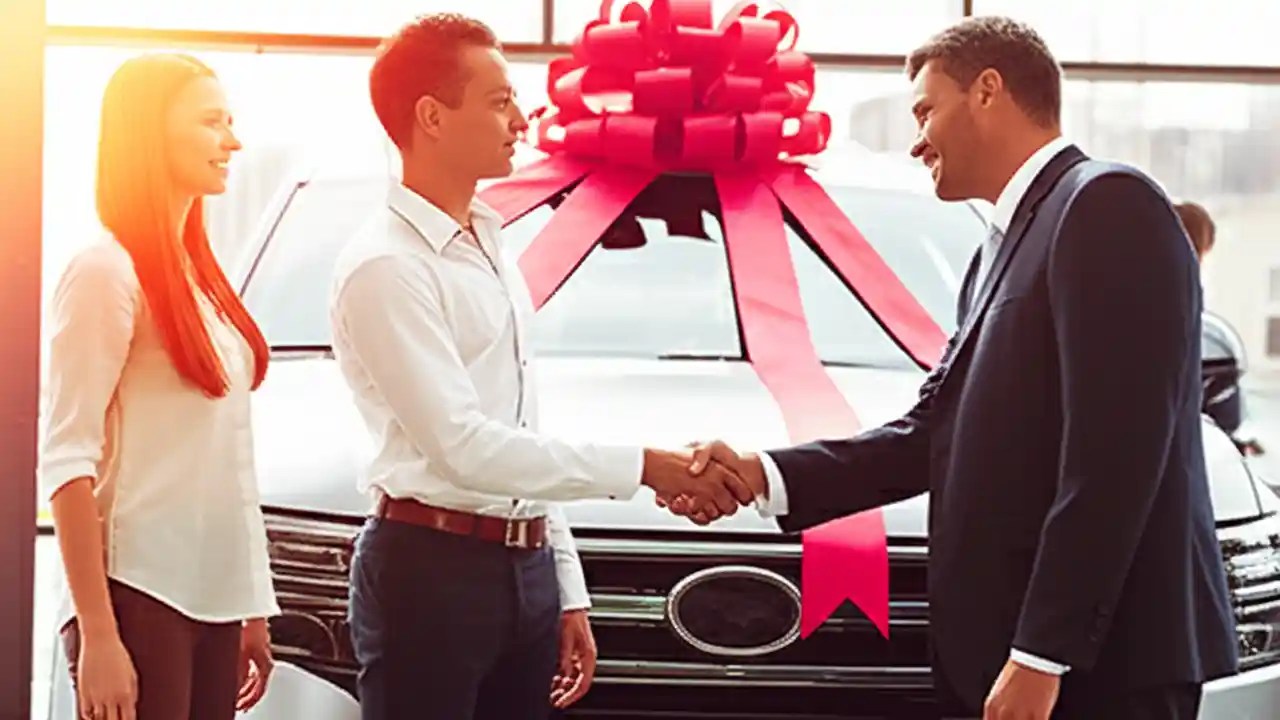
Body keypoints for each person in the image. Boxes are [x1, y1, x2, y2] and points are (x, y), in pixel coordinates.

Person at [670, 16, 1239, 720]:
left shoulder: (1105, 204)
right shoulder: (996, 251)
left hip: (1100, 671)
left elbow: (1115, 458)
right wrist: (762, 473)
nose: (916, 140)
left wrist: (1043, 654)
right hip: (1018, 662)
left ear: (988, 91)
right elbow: (932, 433)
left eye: (925, 110)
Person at [327, 14, 751, 720]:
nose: (521, 120)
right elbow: (463, 446)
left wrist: (564, 586)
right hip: (429, 574)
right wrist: (646, 466)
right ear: (431, 117)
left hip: (523, 572)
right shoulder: (387, 266)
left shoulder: (488, 240)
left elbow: (521, 424)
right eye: (499, 102)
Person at [40, 54, 278, 720]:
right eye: (211, 121)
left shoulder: (200, 282)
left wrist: (250, 605)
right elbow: (67, 461)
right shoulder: (103, 272)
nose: (232, 141)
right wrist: (98, 634)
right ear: (149, 134)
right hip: (137, 595)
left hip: (211, 600)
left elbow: (227, 461)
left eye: (229, 120)